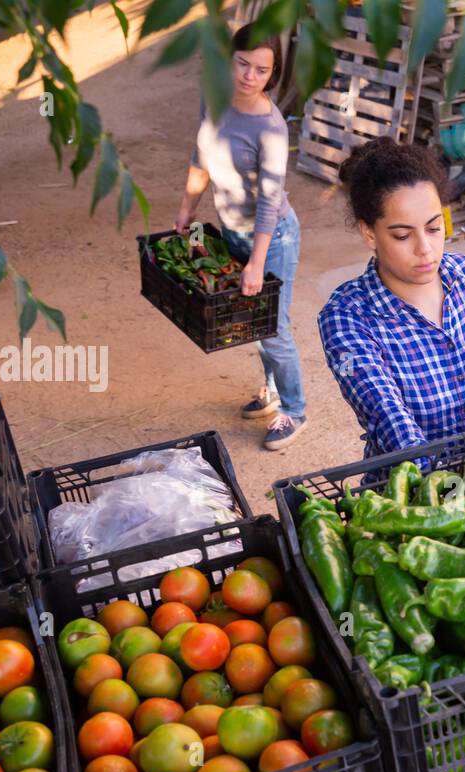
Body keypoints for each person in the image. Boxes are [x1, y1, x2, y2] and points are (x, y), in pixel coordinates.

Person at [318, 138, 465, 458]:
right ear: (369, 233)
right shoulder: (348, 317)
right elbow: (390, 419)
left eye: (434, 228)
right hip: (417, 496)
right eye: (402, 235)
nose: (425, 248)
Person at [175, 23, 305, 451]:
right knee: (253, 322)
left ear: (273, 75)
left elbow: (269, 201)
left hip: (272, 237)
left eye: (262, 70)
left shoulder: (270, 128)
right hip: (233, 229)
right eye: (243, 63)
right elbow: (201, 157)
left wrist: (255, 263)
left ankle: (295, 410)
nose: (250, 76)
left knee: (273, 328)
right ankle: (269, 391)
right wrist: (187, 210)